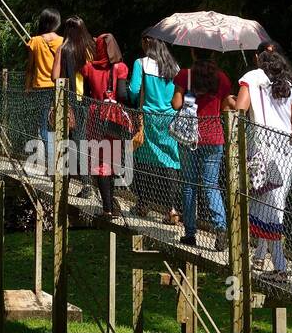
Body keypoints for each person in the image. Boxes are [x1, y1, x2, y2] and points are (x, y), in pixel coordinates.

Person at [235, 42, 292, 281]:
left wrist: (232, 103)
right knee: (276, 206)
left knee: (264, 205)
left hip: (261, 151)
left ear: (257, 57)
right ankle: (264, 256)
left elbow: (240, 111)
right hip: (286, 151)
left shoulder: (252, 78)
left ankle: (280, 266)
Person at [171, 48, 233, 249]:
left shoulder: (185, 76)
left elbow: (175, 104)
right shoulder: (222, 79)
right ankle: (221, 226)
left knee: (189, 184)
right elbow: (224, 109)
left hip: (189, 136)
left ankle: (190, 233)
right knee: (211, 184)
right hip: (214, 136)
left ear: (193, 53)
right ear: (214, 55)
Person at [129, 35, 181, 224]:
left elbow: (134, 91)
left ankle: (143, 203)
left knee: (141, 160)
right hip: (169, 119)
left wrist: (134, 101)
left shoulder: (140, 63)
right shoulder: (174, 66)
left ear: (147, 43)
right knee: (171, 161)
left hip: (148, 119)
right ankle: (172, 209)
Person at [80, 34, 131, 218]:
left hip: (96, 116)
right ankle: (112, 204)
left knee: (99, 162)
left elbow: (86, 94)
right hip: (114, 118)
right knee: (111, 161)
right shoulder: (121, 68)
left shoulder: (88, 68)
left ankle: (107, 207)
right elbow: (124, 95)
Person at [26, 8, 64, 174]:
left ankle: (51, 164)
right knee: (58, 125)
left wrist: (27, 87)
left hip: (40, 88)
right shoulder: (63, 41)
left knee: (44, 127)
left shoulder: (34, 41)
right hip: (59, 88)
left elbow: (30, 68)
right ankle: (59, 163)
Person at [59, 16, 94, 193]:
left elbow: (59, 76)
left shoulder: (65, 49)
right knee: (85, 138)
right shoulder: (90, 48)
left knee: (75, 139)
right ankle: (87, 180)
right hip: (89, 99)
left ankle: (84, 182)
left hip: (71, 99)